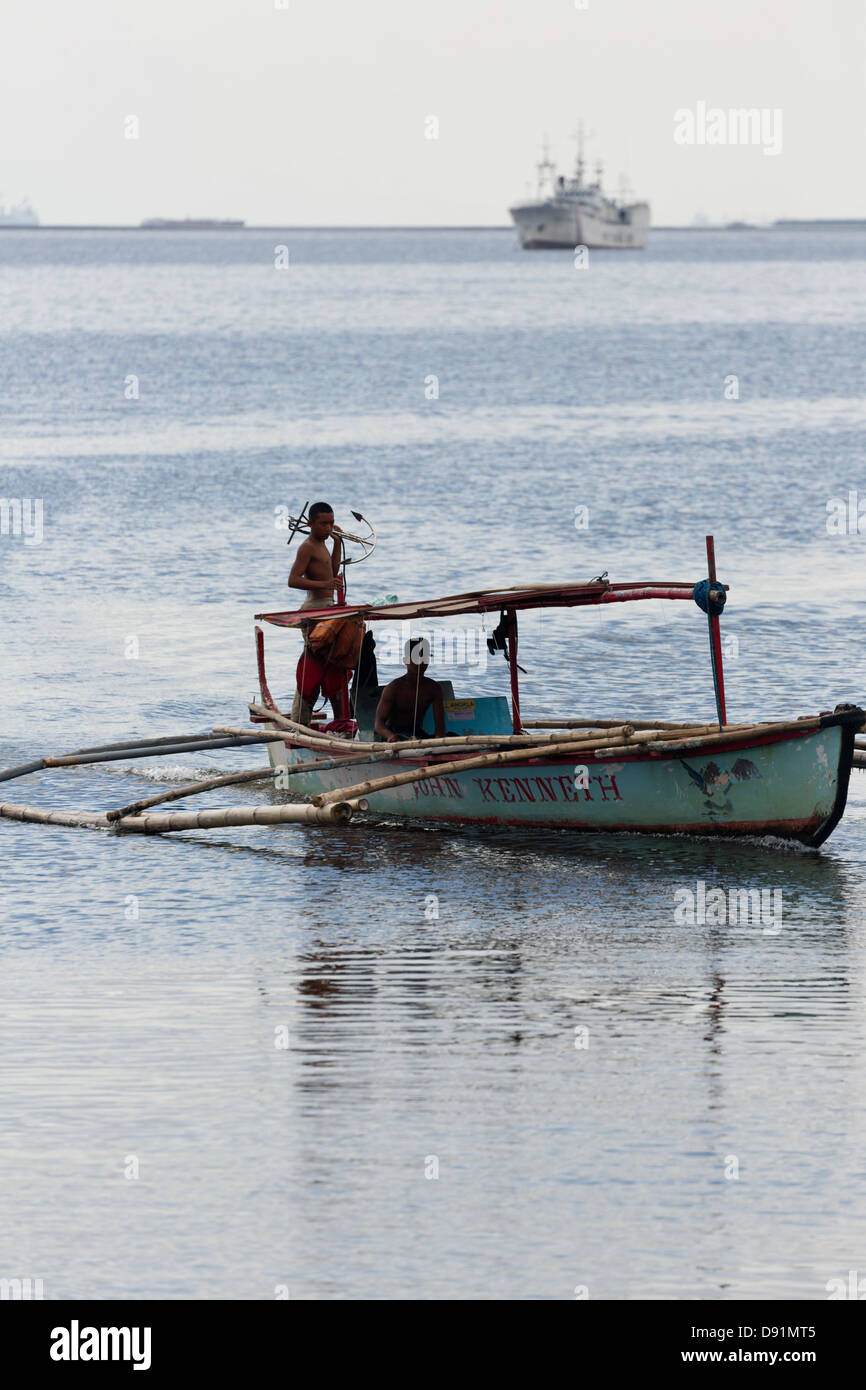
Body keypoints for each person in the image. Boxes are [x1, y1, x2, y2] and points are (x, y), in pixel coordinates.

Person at [288, 502, 345, 724]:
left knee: (334, 662)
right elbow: (293, 580)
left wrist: (337, 543)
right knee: (314, 665)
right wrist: (325, 582)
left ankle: (342, 720)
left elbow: (333, 571)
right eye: (323, 524)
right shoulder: (308, 546)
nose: (328, 528)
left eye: (331, 523)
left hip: (327, 607)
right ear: (310, 523)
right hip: (314, 609)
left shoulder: (323, 544)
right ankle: (299, 721)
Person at [374, 638, 447, 742]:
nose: (421, 662)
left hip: (418, 734)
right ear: (406, 660)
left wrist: (439, 740)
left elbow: (440, 727)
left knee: (453, 736)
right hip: (395, 734)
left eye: (424, 657)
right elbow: (379, 723)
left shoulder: (434, 688)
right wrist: (390, 736)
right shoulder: (393, 688)